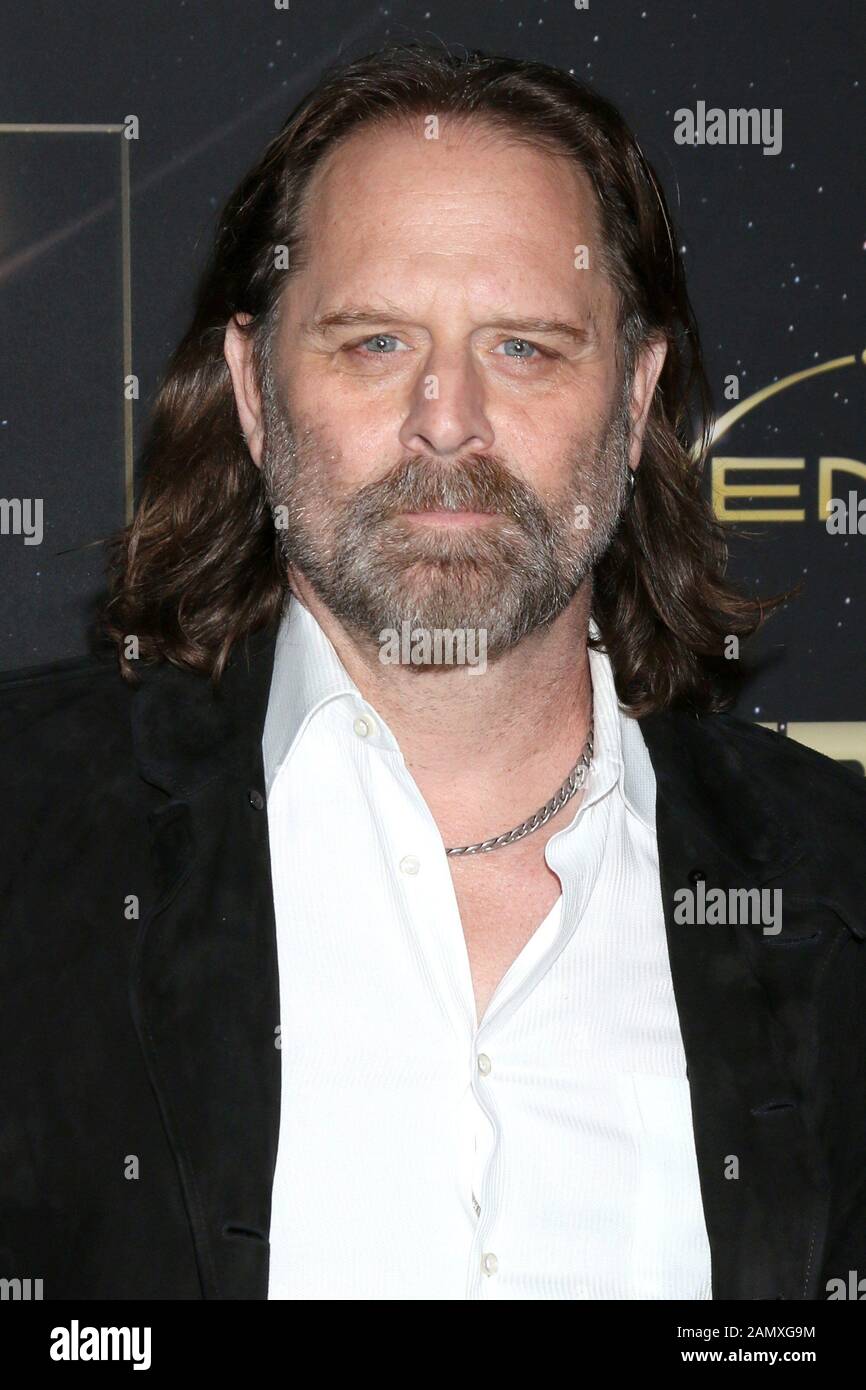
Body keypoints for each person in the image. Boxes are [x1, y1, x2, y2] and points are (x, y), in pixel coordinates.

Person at [2, 43, 864, 1302]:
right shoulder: (25, 839)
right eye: (372, 342)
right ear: (253, 390)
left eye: (522, 346)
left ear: (633, 400)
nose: (446, 416)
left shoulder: (833, 884)